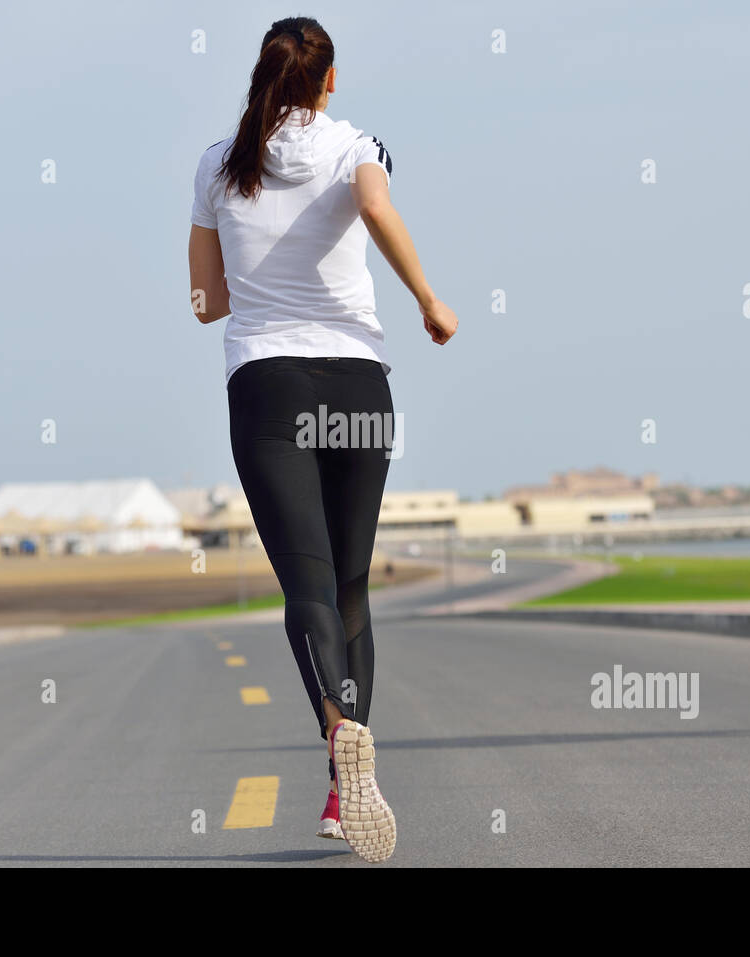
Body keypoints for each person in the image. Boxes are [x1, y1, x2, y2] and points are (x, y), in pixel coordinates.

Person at [187, 16, 457, 863]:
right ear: (329, 80)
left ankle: (338, 730)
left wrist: (247, 272)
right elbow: (375, 207)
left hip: (266, 385)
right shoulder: (355, 145)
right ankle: (346, 789)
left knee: (302, 581)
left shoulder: (217, 165)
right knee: (350, 586)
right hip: (356, 384)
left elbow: (207, 303)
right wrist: (426, 299)